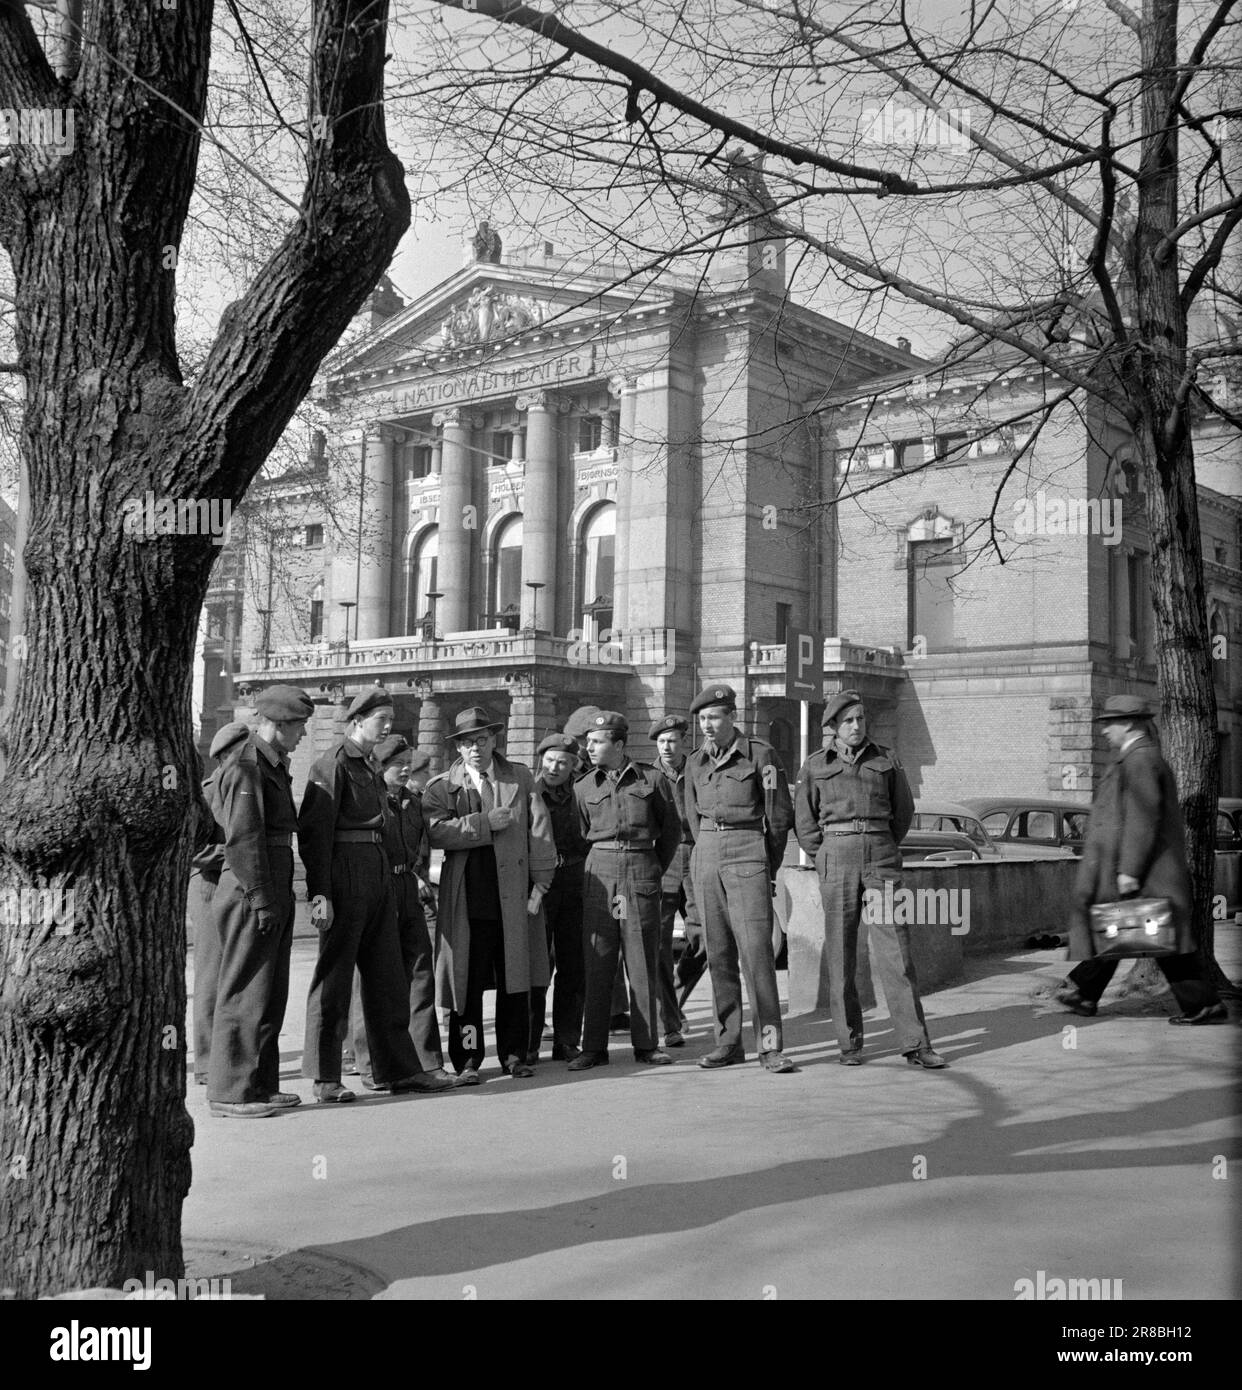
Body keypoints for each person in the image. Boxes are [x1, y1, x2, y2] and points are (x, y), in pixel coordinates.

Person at [794, 689, 946, 1069]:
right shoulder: (814, 766)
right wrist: (825, 854)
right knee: (842, 953)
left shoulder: (886, 760)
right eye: (848, 720)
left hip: (880, 858)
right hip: (837, 856)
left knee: (896, 950)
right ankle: (849, 1044)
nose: (857, 726)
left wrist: (881, 843)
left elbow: (903, 812)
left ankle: (915, 1043)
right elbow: (805, 823)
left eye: (861, 719)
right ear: (833, 727)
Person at [1053, 694, 1227, 1025]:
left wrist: (1129, 871)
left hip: (1146, 872)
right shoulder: (1135, 758)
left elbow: (1142, 820)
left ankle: (1202, 1005)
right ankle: (1084, 992)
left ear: (1130, 723)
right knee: (1139, 932)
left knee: (1142, 934)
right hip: (1146, 871)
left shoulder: (1140, 760)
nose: (1104, 731)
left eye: (1109, 724)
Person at [299, 687, 433, 1103]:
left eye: (390, 718)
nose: (388, 726)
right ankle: (325, 1078)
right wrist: (320, 892)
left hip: (377, 877)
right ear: (356, 721)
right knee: (335, 981)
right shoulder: (333, 764)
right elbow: (314, 831)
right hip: (345, 875)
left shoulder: (372, 767)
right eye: (380, 719)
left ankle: (397, 1070)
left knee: (387, 979)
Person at [423, 707, 558, 1083]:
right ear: (459, 748)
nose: (476, 749)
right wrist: (484, 824)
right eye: (468, 742)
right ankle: (467, 1059)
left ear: (494, 740)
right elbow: (435, 832)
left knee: (515, 978)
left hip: (512, 897)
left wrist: (541, 882)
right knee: (465, 983)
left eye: (482, 740)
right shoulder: (443, 786)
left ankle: (514, 1055)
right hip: (467, 900)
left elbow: (539, 830)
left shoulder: (519, 777)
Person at [207, 687, 314, 1118]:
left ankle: (260, 1084)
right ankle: (230, 1092)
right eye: (300, 726)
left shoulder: (270, 763)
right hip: (252, 887)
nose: (304, 734)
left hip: (270, 884)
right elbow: (244, 839)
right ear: (279, 724)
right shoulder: (248, 765)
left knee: (268, 991)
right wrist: (261, 898)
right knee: (243, 989)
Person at [685, 684, 797, 1073]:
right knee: (717, 955)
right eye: (702, 720)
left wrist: (765, 863)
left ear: (732, 716)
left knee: (756, 956)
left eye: (714, 717)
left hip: (748, 851)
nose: (707, 726)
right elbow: (691, 816)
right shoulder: (695, 761)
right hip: (707, 856)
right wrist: (706, 855)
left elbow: (779, 816)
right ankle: (728, 1043)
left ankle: (769, 1047)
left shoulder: (760, 755)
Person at [570, 711, 681, 1070]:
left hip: (640, 871)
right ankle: (593, 1048)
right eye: (588, 741)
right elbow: (579, 832)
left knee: (642, 961)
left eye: (597, 741)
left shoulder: (653, 780)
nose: (589, 747)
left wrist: (648, 868)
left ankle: (647, 1045)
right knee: (598, 962)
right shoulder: (583, 786)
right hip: (601, 875)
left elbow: (670, 832)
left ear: (618, 745)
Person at [347, 735, 454, 1091]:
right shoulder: (368, 801)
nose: (406, 768)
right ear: (379, 766)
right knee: (372, 979)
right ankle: (370, 1065)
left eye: (408, 762)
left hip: (410, 887)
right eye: (398, 763)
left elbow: (425, 845)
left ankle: (425, 1062)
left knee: (421, 973)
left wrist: (421, 878)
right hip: (378, 889)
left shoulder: (413, 802)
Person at [191, 722, 251, 1085]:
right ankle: (206, 1063)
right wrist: (237, 854)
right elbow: (197, 850)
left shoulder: (243, 786)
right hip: (210, 888)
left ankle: (230, 1058)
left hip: (234, 887)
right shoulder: (210, 791)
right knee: (212, 977)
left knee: (237, 977)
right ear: (227, 755)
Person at [528, 734, 590, 1063]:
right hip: (540, 885)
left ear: (573, 766)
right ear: (541, 760)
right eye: (550, 760)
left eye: (563, 762)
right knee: (538, 965)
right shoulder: (528, 791)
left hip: (575, 882)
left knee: (573, 964)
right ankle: (529, 1041)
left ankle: (567, 1040)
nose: (555, 767)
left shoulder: (582, 792)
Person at [649, 714, 702, 1046]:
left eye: (673, 740)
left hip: (697, 858)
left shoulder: (699, 769)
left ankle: (674, 1000)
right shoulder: (648, 776)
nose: (667, 747)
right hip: (663, 860)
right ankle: (667, 1019)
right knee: (659, 943)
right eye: (661, 741)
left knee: (708, 938)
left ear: (684, 741)